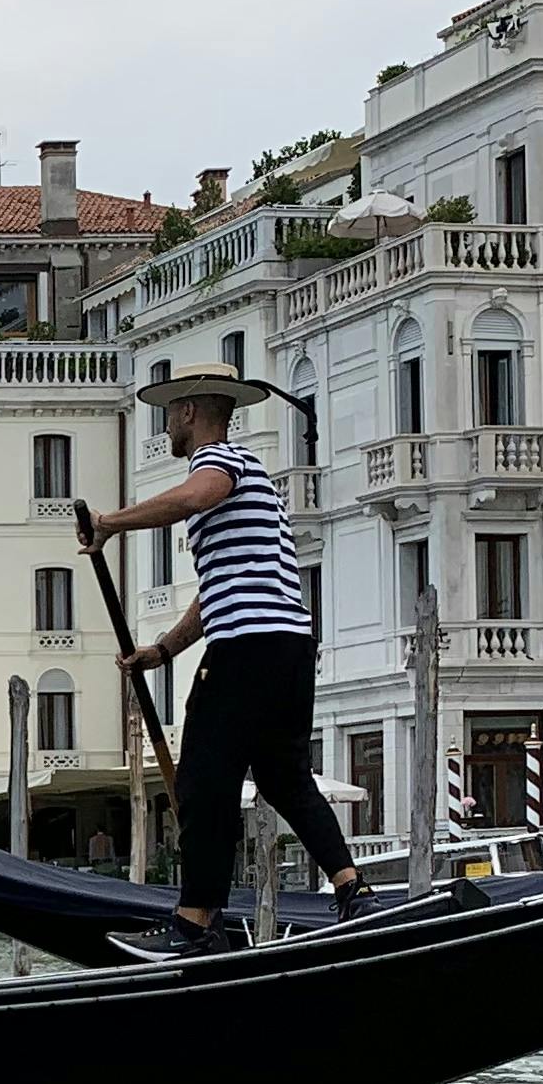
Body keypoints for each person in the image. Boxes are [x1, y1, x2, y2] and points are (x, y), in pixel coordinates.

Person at [79, 359, 366, 957]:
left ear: (188, 410)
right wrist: (160, 651)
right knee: (284, 777)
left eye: (168, 413)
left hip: (249, 649)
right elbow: (217, 596)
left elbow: (195, 495)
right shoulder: (252, 483)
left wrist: (110, 523)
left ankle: (194, 922)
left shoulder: (221, 463)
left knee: (204, 779)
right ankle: (352, 889)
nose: (165, 425)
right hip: (287, 646)